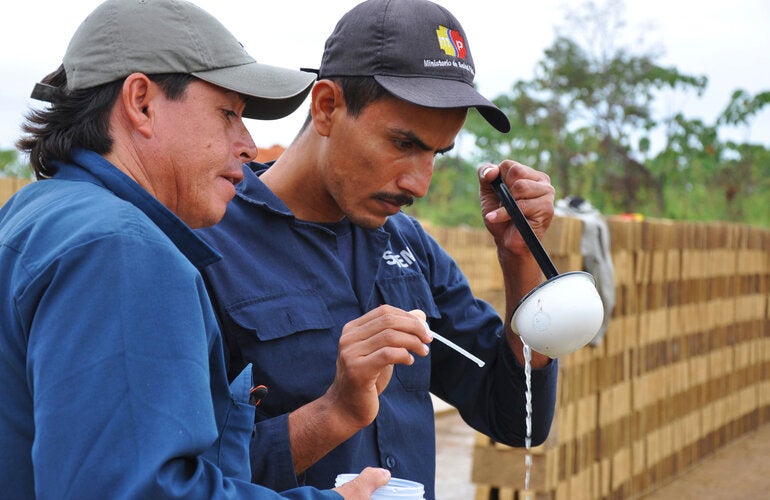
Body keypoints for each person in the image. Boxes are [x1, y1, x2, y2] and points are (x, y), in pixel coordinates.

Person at [0, 0, 390, 498]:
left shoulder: (33, 215)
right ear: (141, 102)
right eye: (227, 113)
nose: (248, 145)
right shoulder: (124, 251)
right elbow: (130, 489)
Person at [198, 0, 558, 498]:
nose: (420, 182)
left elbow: (516, 419)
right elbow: (188, 480)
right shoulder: (205, 245)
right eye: (403, 143)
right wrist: (333, 412)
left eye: (435, 153)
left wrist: (521, 261)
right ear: (326, 107)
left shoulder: (410, 249)